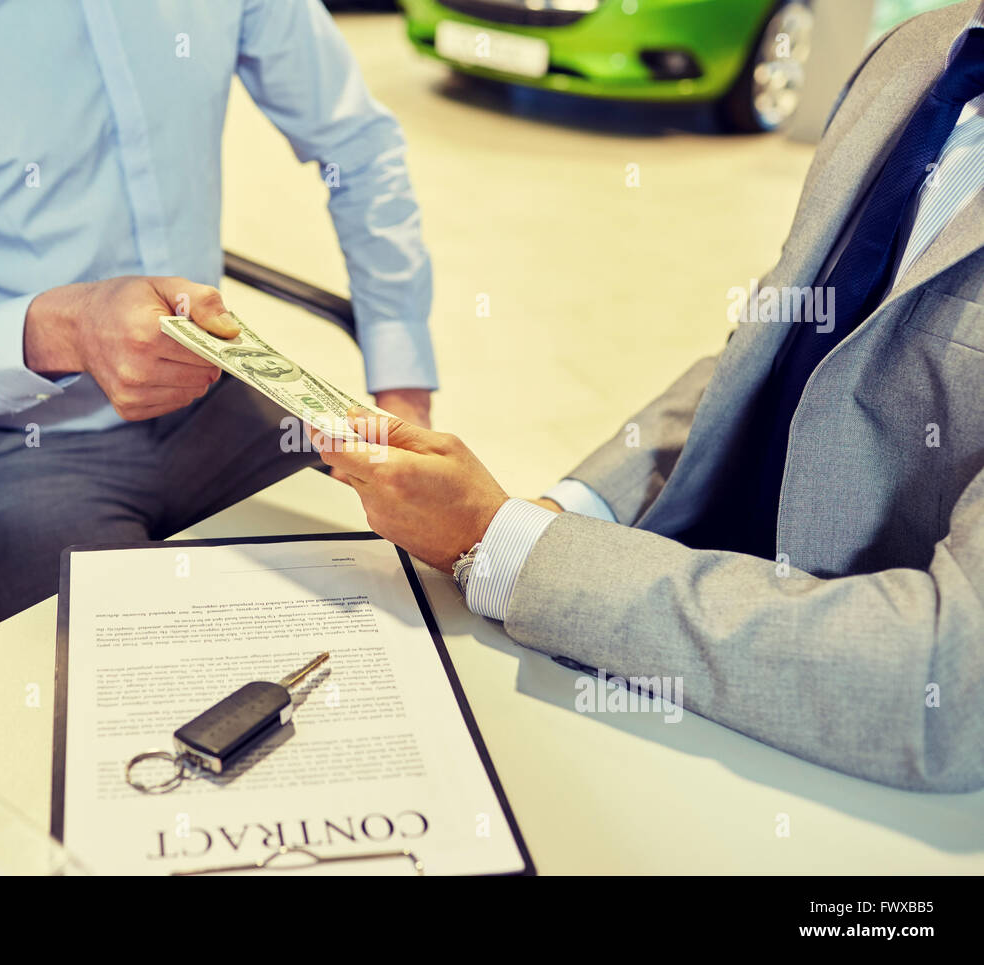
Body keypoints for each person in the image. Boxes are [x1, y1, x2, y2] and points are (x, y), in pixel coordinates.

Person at [313, 1, 984, 792]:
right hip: (689, 686)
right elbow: (769, 345)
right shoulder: (919, 50)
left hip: (857, 780)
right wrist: (570, 508)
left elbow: (944, 690)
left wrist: (515, 546)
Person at [0, 0, 437, 627]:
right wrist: (62, 329)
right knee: (143, 714)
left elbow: (358, 143)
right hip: (13, 450)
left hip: (218, 402)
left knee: (410, 616)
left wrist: (400, 376)